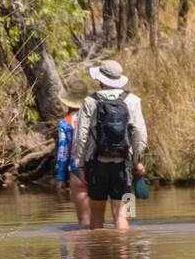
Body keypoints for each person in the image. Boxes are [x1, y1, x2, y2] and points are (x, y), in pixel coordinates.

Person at [71, 59, 148, 230]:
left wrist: (80, 165)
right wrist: (137, 160)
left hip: (96, 163)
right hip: (122, 163)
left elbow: (81, 137)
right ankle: (123, 254)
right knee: (121, 214)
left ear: (100, 79)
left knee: (97, 214)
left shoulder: (90, 101)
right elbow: (140, 134)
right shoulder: (132, 100)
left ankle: (99, 253)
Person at [55, 76, 92, 226]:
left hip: (77, 170)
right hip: (98, 168)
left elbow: (63, 152)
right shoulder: (95, 116)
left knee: (84, 221)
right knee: (98, 220)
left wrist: (60, 178)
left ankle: (84, 249)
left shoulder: (65, 122)